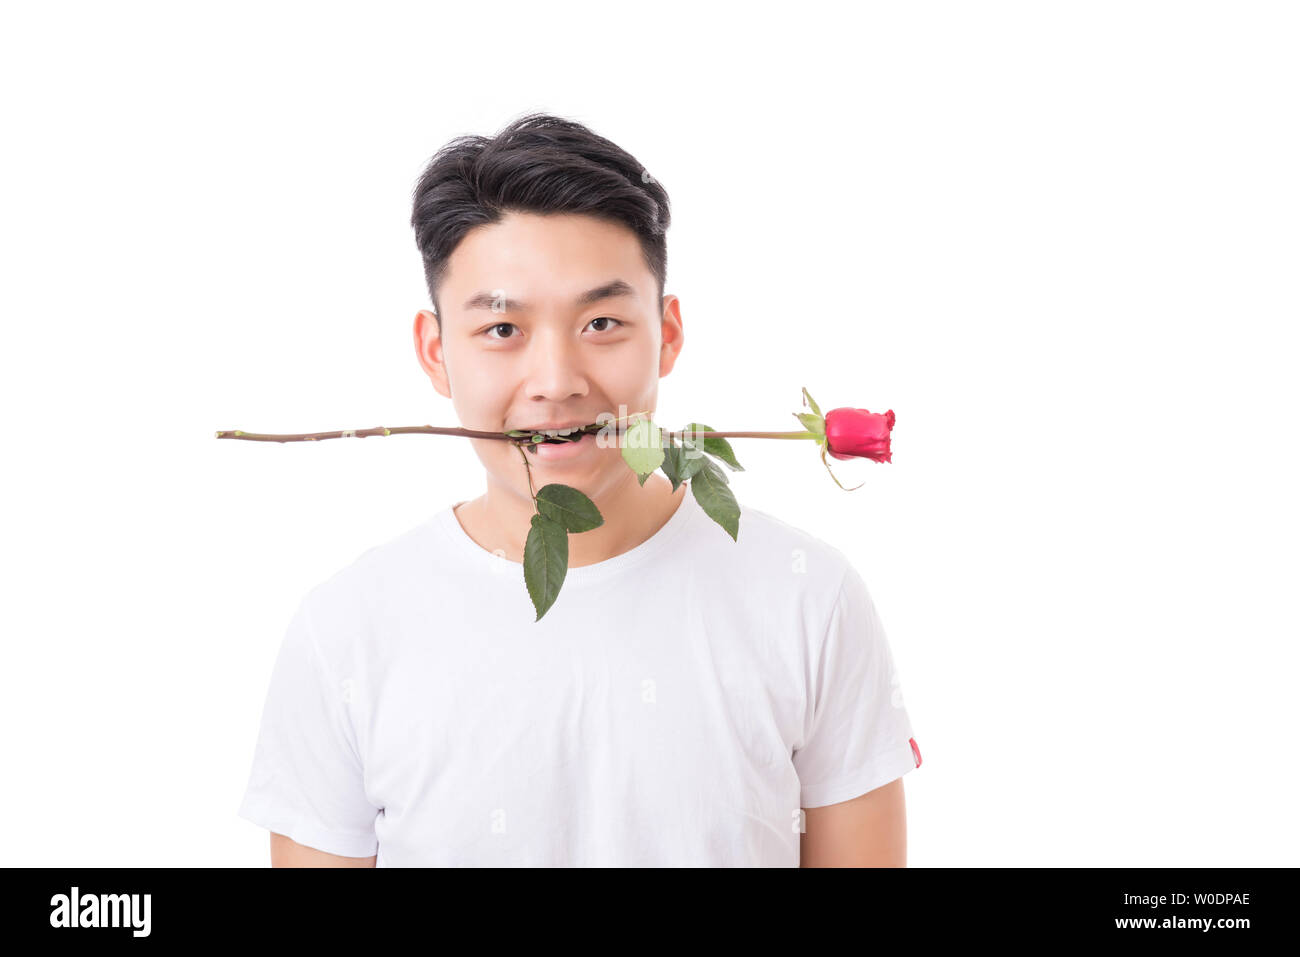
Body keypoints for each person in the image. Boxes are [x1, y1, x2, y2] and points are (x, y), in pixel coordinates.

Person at [236, 112, 921, 867]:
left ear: (669, 334)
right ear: (436, 354)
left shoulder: (809, 601)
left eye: (601, 322)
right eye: (503, 330)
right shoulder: (345, 632)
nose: (558, 382)